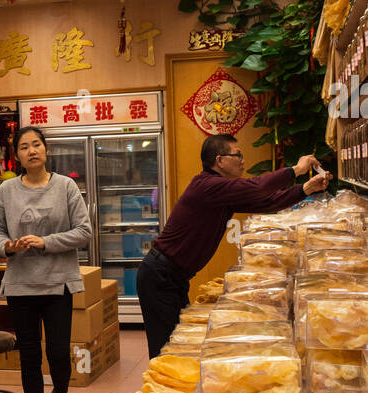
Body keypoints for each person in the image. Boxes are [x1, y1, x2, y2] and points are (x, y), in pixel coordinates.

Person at [137, 133, 330, 359]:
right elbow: (258, 187)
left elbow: (268, 201)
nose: (242, 160)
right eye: (237, 155)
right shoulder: (207, 186)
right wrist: (295, 170)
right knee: (167, 350)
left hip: (174, 277)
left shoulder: (222, 191)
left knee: (179, 344)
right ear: (219, 161)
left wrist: (306, 189)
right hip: (159, 276)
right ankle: (156, 392)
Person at [0, 125, 92, 393]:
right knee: (29, 357)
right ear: (16, 156)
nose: (31, 151)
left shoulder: (65, 186)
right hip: (20, 285)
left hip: (57, 283)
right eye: (24, 147)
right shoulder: (7, 191)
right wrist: (8, 246)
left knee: (58, 352)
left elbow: (84, 231)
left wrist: (45, 242)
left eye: (36, 145)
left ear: (45, 150)